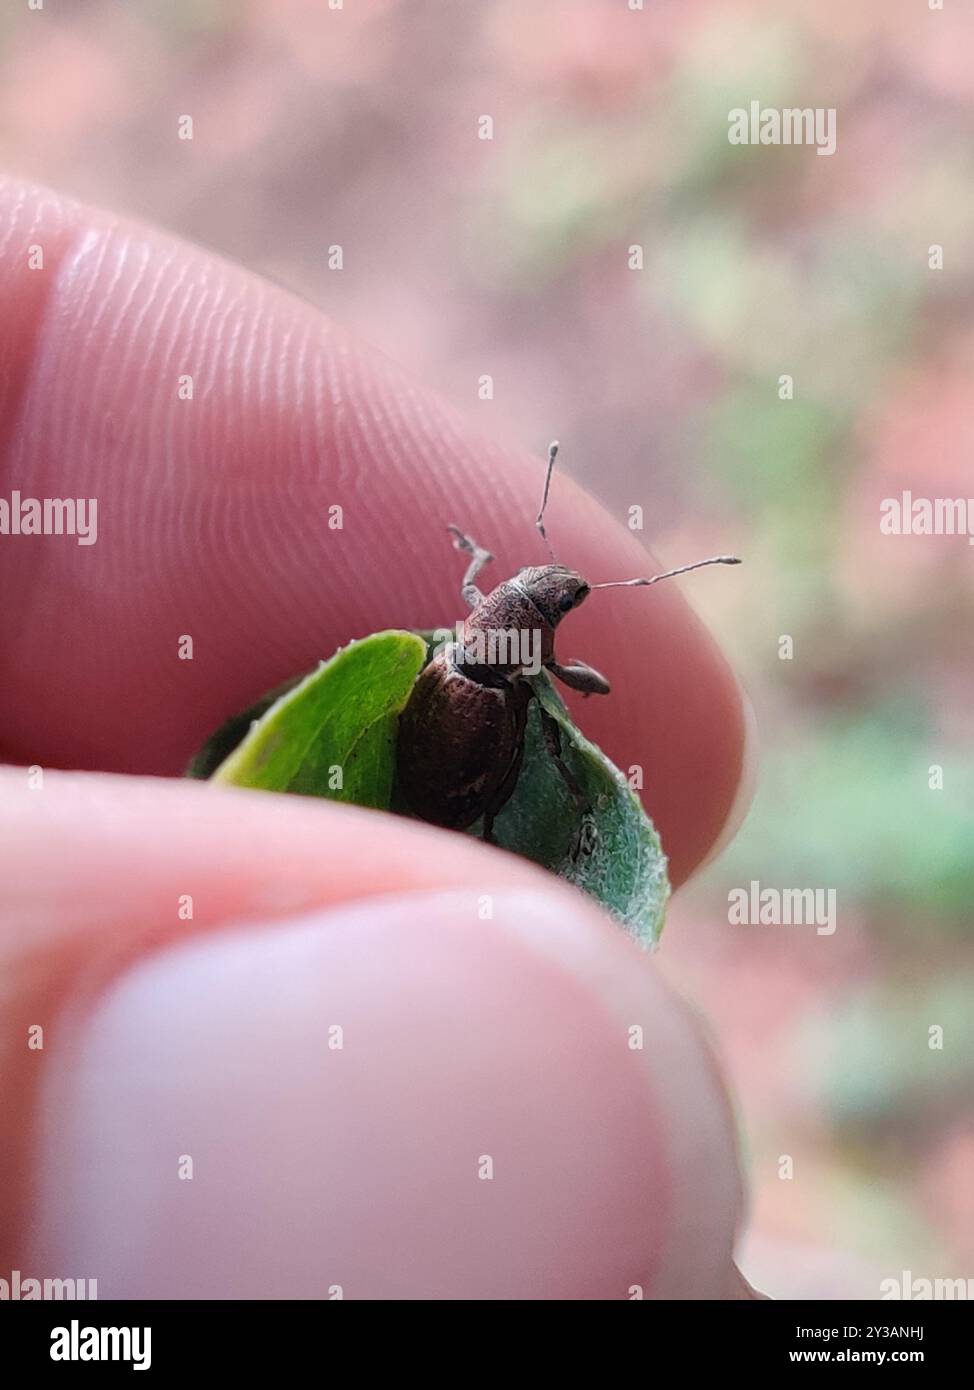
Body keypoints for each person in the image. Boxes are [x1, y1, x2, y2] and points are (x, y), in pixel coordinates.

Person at [0, 175, 759, 1299]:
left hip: (453, 719)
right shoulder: (499, 670)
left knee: (520, 738)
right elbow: (553, 700)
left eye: (547, 605)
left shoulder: (466, 641)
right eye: (544, 606)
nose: (548, 608)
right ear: (523, 619)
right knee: (530, 754)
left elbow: (487, 603)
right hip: (458, 760)